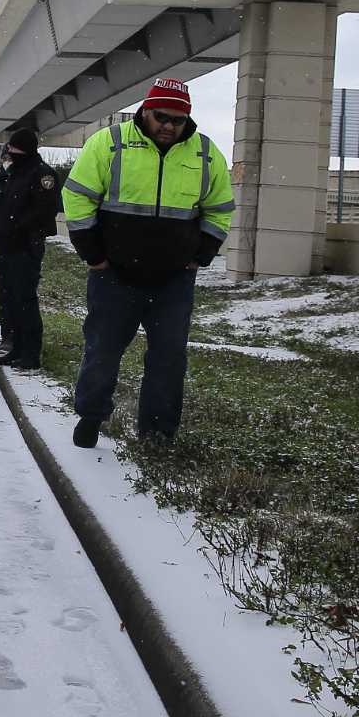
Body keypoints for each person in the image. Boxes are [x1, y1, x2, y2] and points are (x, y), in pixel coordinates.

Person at [60, 77, 234, 449]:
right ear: (145, 111)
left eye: (177, 120)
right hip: (114, 275)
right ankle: (91, 417)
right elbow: (76, 198)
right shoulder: (109, 143)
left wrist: (199, 257)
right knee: (103, 350)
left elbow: (219, 209)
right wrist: (94, 256)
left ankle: (157, 433)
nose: (169, 126)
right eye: (161, 117)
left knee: (169, 358)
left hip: (173, 280)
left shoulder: (205, 153)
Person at [0, 127, 59, 369]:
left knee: (24, 298)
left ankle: (30, 351)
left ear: (25, 150)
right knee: (6, 297)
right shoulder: (11, 173)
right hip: (5, 246)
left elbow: (44, 210)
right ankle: (11, 343)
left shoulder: (42, 174)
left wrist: (15, 229)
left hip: (26, 247)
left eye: (14, 150)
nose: (10, 153)